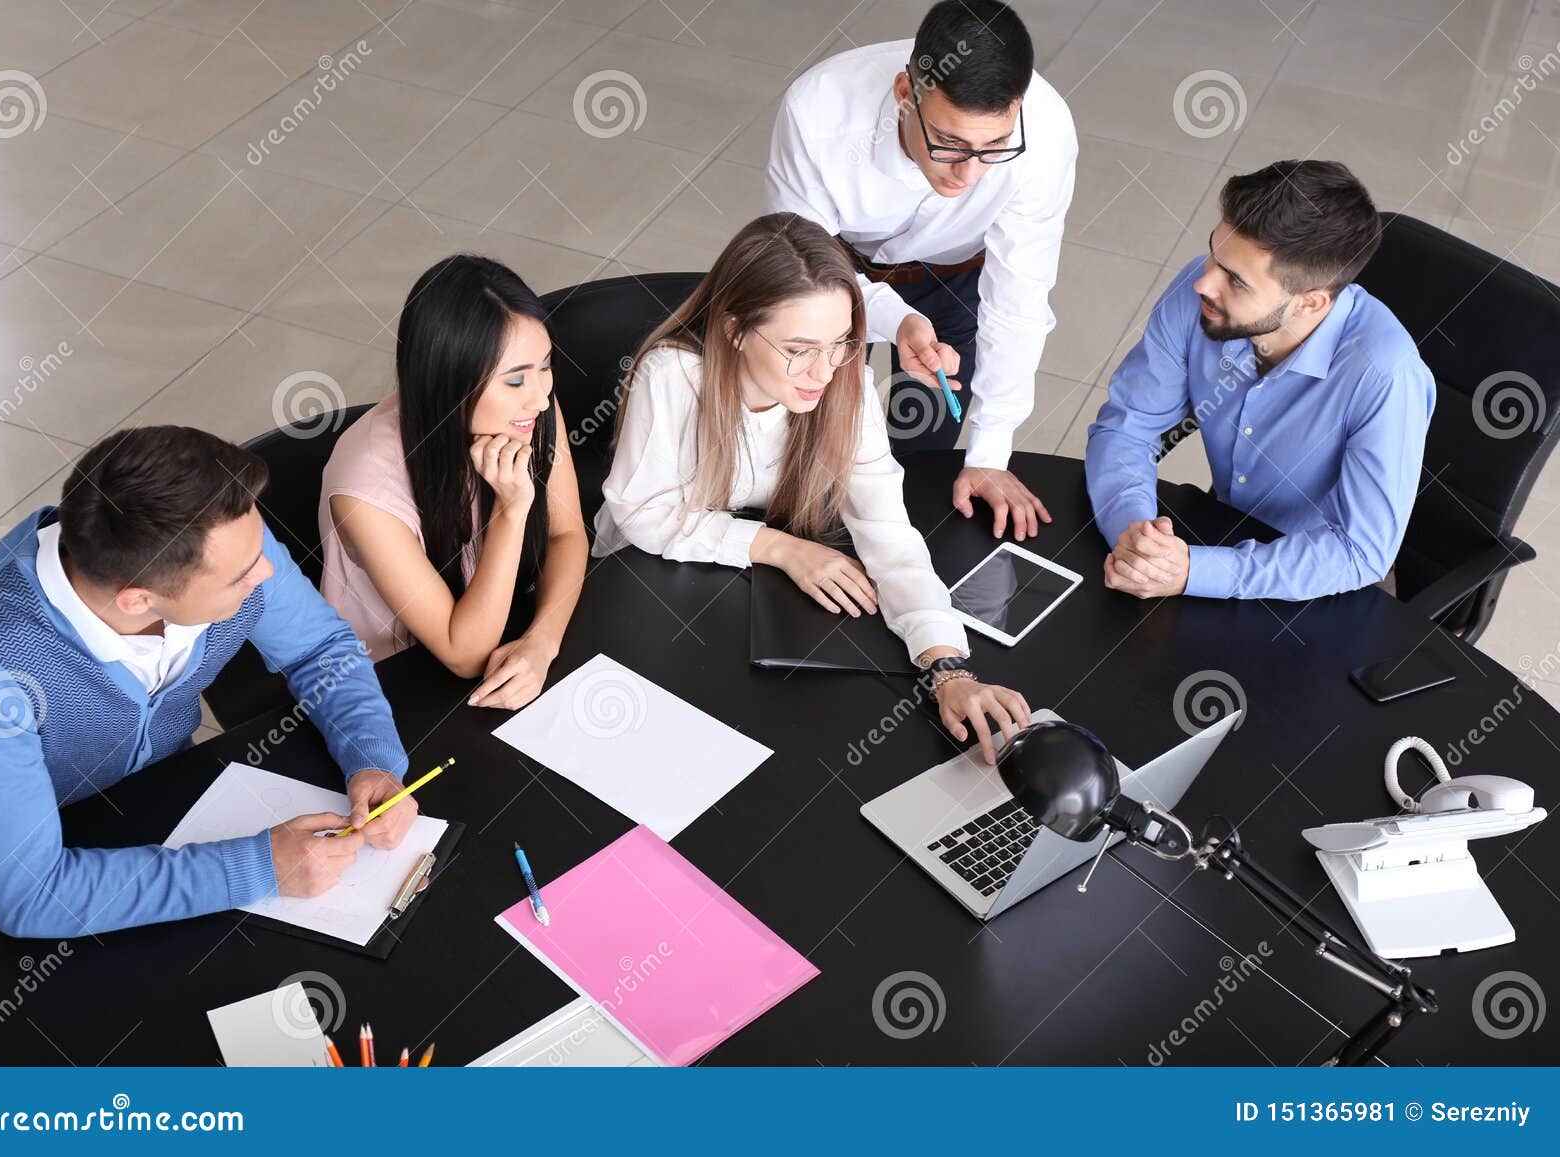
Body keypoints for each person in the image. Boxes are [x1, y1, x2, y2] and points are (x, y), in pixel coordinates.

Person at [594, 212, 1031, 763]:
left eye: (839, 343)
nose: (822, 373)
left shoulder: (845, 380)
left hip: (744, 586)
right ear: (734, 330)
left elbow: (886, 531)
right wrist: (781, 549)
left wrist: (946, 665)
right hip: (648, 573)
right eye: (798, 348)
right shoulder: (673, 376)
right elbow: (641, 512)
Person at [0, 427, 416, 939]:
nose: (266, 570)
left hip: (169, 802)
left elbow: (321, 650)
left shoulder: (222, 541)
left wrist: (372, 757)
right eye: (241, 575)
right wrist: (258, 869)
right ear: (137, 600)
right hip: (13, 854)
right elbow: (31, 895)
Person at [765, 0, 1076, 542]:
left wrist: (991, 450)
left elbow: (1018, 298)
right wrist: (892, 317)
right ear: (906, 93)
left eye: (994, 147)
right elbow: (800, 269)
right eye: (949, 143)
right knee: (807, 449)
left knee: (918, 456)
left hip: (959, 280)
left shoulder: (1045, 134)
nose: (970, 173)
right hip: (831, 275)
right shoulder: (818, 112)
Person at [1085, 160, 1436, 602]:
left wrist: (1195, 571)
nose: (1203, 282)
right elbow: (1128, 428)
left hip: (1324, 585)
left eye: (1235, 280)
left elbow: (1360, 551)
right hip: (1219, 537)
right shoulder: (1203, 296)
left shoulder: (1385, 376)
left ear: (1309, 303)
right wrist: (1137, 539)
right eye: (1215, 253)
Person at [320, 255, 587, 710]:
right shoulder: (362, 488)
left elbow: (568, 534)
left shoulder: (530, 409)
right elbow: (462, 654)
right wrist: (511, 509)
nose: (542, 396)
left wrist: (542, 643)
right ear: (451, 381)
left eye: (545, 366)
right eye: (516, 379)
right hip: (394, 685)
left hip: (504, 627)